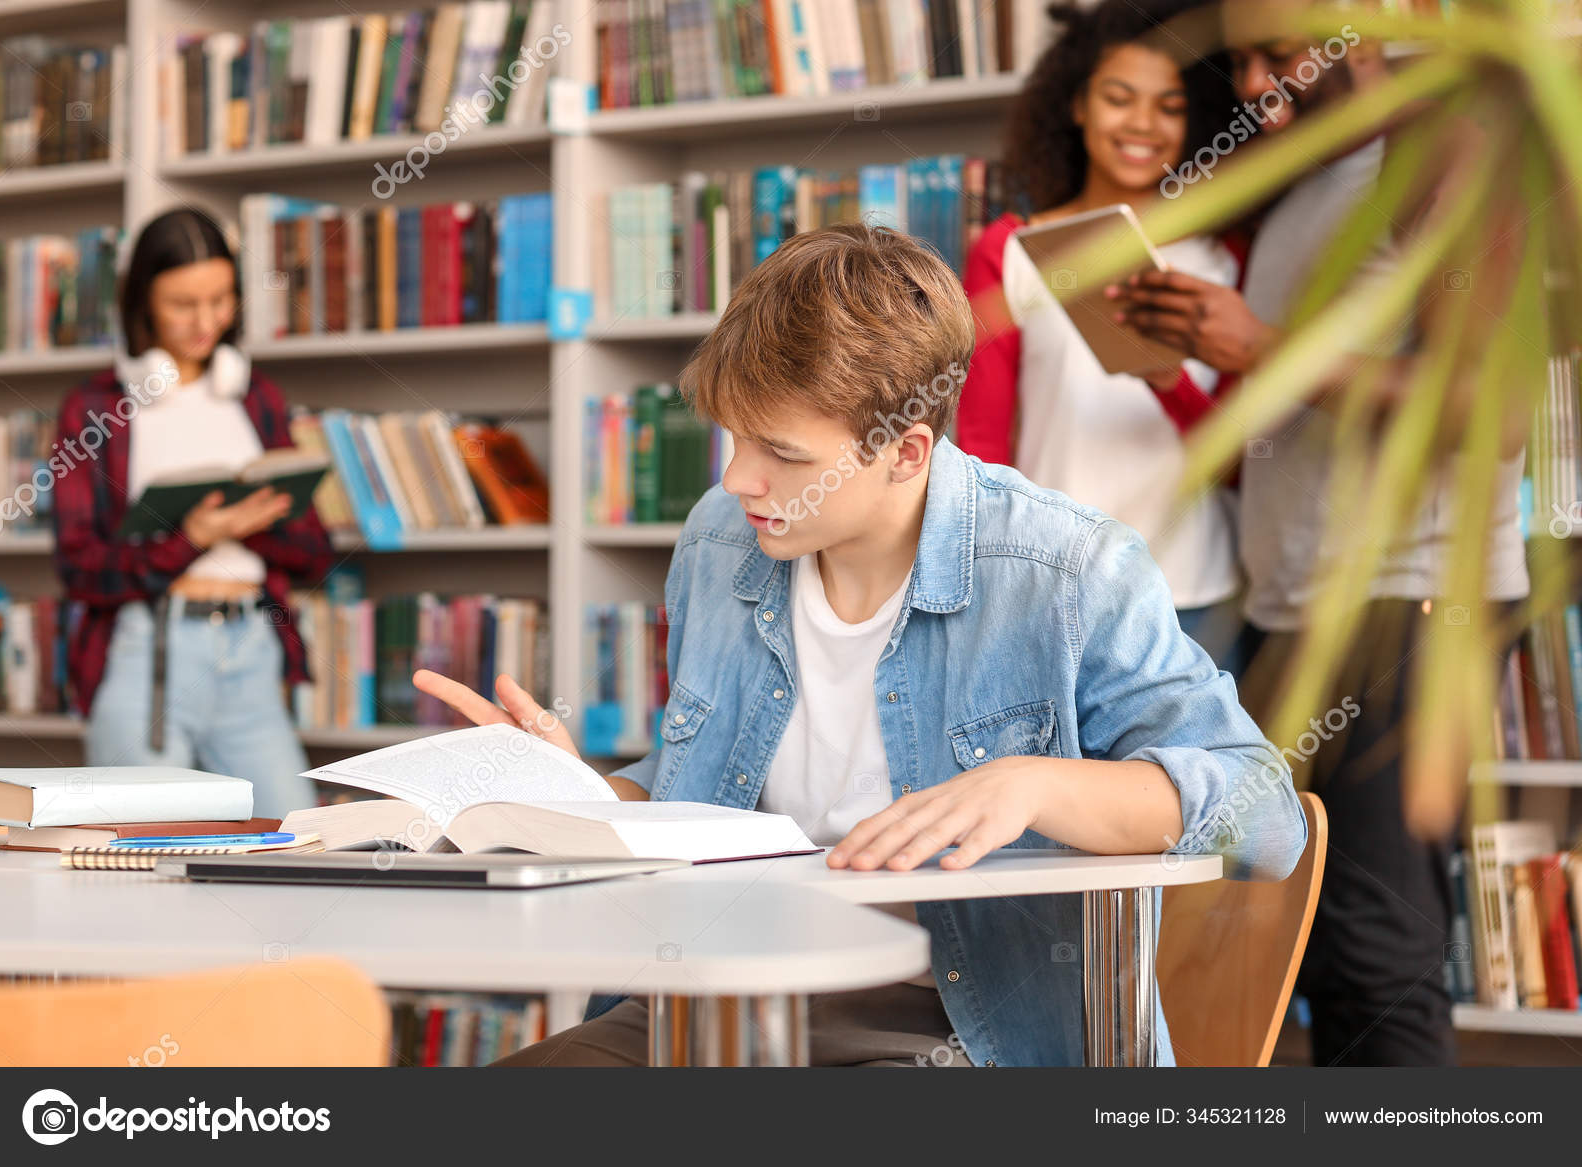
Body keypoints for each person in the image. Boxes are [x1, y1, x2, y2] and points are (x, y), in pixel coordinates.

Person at [414, 223, 1307, 1067]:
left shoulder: (1067, 569)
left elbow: (1267, 815)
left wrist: (1036, 782)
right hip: (715, 996)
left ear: (907, 451)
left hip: (956, 1027)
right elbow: (713, 781)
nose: (738, 480)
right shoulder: (724, 539)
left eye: (782, 454)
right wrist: (568, 792)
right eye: (733, 438)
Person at [1114, 22, 1529, 1066]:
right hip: (1290, 609)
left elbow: (1495, 408)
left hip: (1408, 601)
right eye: (1241, 60)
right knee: (1280, 933)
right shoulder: (1310, 186)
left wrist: (1258, 348)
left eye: (1280, 51)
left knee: (1376, 955)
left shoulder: (1441, 151)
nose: (1255, 85)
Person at [958, 0, 1247, 671]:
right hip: (1049, 585)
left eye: (1168, 106)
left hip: (1192, 591)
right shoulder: (1011, 251)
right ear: (1079, 104)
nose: (1142, 124)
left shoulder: (1223, 256)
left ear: (1193, 120)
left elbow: (1242, 456)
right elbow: (980, 442)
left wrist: (1168, 380)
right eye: (1120, 98)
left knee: (1196, 778)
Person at [53, 207, 335, 817]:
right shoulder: (96, 408)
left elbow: (315, 553)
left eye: (220, 300)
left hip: (252, 651)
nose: (205, 322)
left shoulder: (257, 398)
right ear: (143, 303)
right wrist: (192, 538)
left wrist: (245, 527)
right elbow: (79, 567)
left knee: (299, 838)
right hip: (149, 652)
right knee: (150, 854)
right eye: (183, 303)